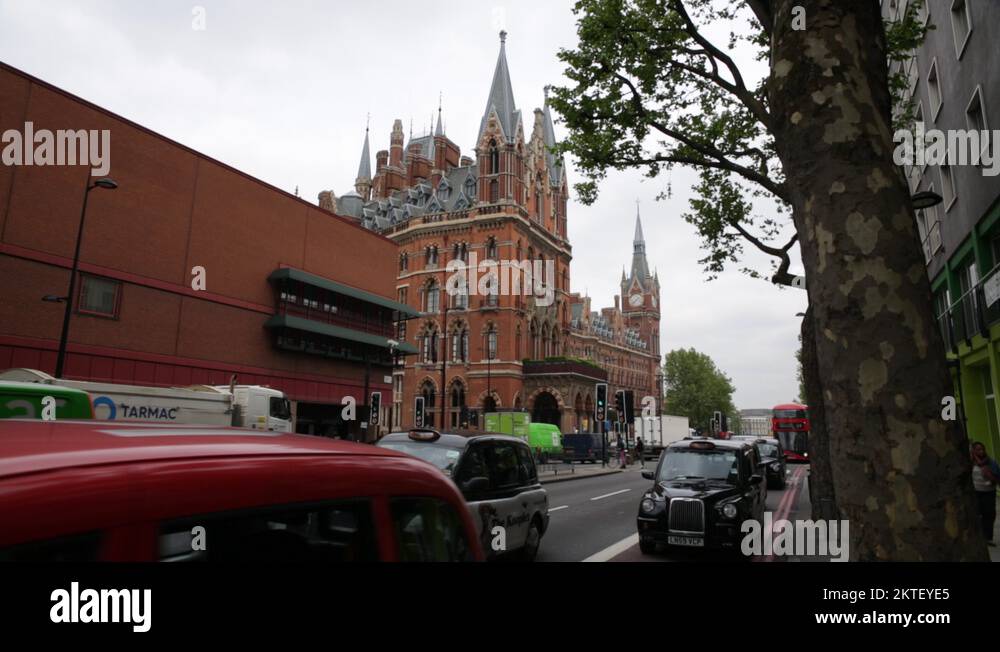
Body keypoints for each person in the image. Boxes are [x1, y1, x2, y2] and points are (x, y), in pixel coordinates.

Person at [971, 442, 1000, 545]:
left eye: (982, 449)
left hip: (989, 493)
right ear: (973, 451)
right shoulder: (971, 463)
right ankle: (978, 537)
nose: (981, 451)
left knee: (989, 515)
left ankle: (987, 538)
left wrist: (990, 476)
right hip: (976, 493)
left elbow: (998, 476)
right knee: (977, 514)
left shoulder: (991, 462)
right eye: (978, 450)